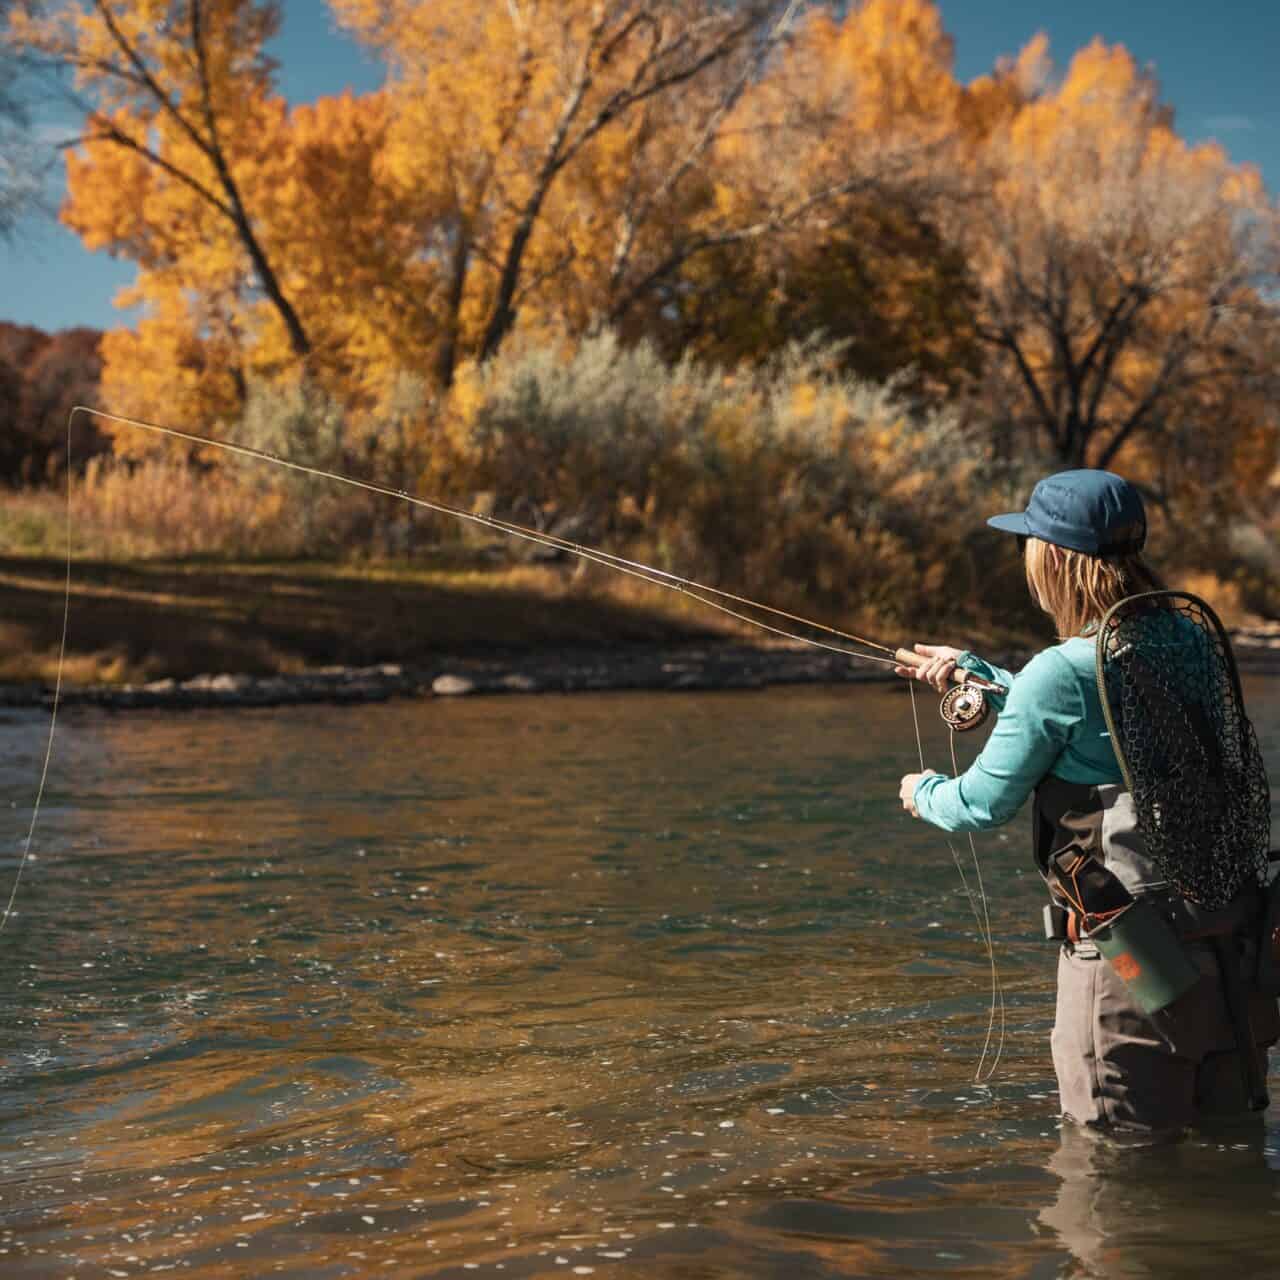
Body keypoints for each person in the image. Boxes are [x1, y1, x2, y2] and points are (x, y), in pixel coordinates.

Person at [895, 468, 1278, 1137]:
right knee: (1229, 1159)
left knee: (1110, 1185)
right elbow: (1109, 712)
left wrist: (921, 790)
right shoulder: (1187, 640)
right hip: (1231, 958)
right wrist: (983, 676)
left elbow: (977, 805)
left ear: (1054, 560)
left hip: (1131, 971)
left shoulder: (1058, 673)